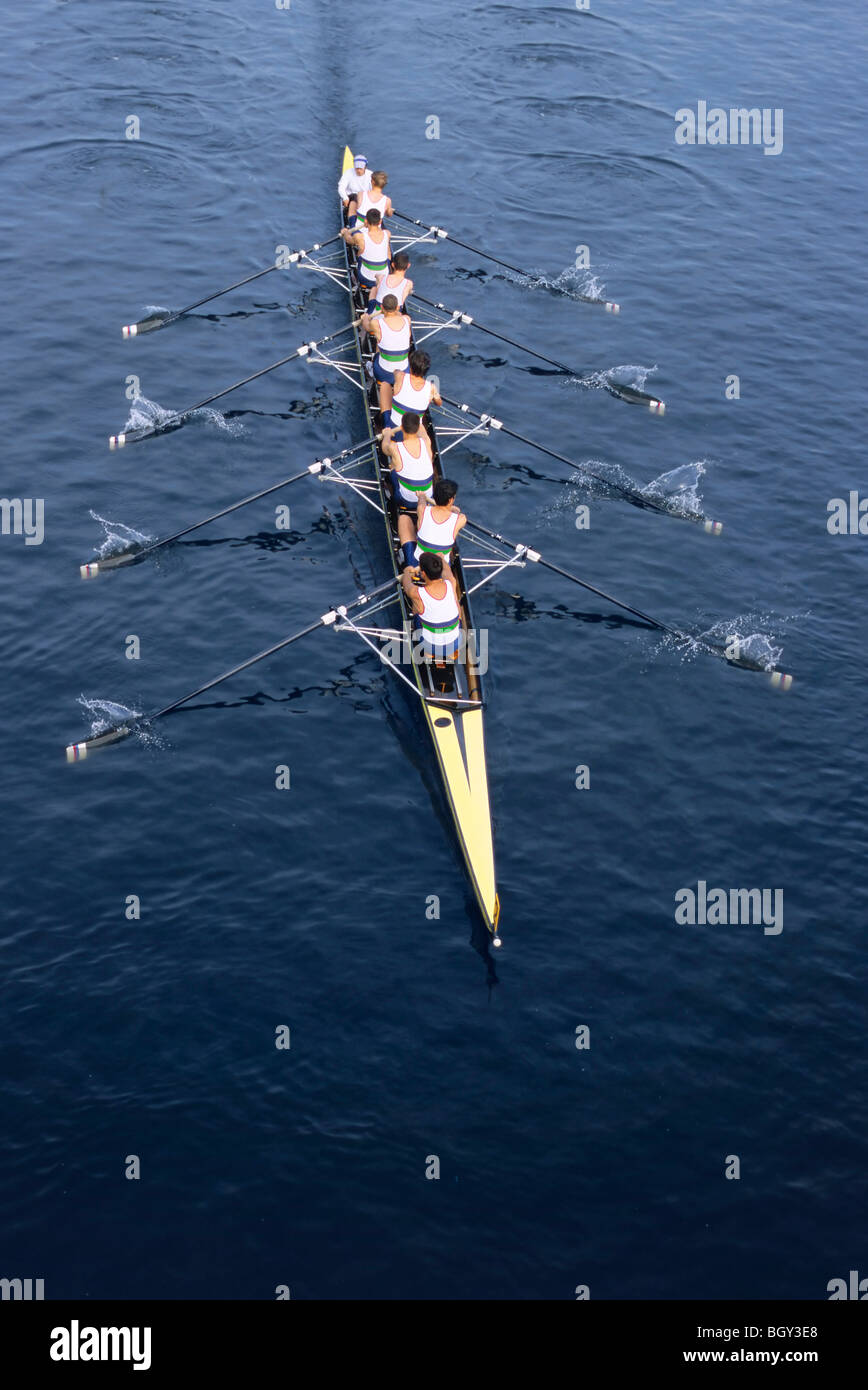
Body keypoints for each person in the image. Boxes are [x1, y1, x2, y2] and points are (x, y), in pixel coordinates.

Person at [382, 417, 434, 561]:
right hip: (429, 497)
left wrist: (387, 433)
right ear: (417, 428)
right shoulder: (426, 442)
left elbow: (384, 447)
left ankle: (388, 485)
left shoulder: (395, 447)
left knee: (392, 467)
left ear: (402, 428)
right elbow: (423, 431)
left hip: (406, 499)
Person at [401, 551, 463, 663]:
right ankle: (450, 653)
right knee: (456, 604)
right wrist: (441, 558)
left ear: (423, 573)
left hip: (430, 646)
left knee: (416, 608)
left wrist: (407, 570)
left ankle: (428, 654)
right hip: (454, 644)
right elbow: (447, 570)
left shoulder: (416, 593)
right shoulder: (451, 582)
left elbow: (406, 583)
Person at [361, 294, 411, 416]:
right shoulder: (407, 319)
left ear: (382, 307)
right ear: (398, 308)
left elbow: (366, 326)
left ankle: (371, 369)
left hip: (384, 373)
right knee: (383, 341)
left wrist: (365, 317)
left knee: (379, 341)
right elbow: (400, 315)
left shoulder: (377, 323)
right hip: (405, 371)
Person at [414, 479, 466, 581]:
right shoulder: (461, 520)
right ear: (451, 500)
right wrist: (453, 509)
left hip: (418, 562)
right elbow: (457, 512)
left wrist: (421, 496)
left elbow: (421, 502)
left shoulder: (422, 510)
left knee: (404, 519)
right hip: (440, 568)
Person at [390, 349, 441, 439]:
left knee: (385, 386)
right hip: (413, 433)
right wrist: (433, 397)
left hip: (394, 429)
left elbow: (395, 371)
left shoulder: (400, 376)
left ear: (410, 365)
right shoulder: (432, 388)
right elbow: (439, 403)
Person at [340, 208, 391, 295]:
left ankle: (358, 280)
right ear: (380, 222)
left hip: (366, 279)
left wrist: (345, 232)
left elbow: (348, 240)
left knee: (359, 252)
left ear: (366, 221)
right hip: (384, 278)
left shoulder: (360, 237)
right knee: (388, 251)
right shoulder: (387, 233)